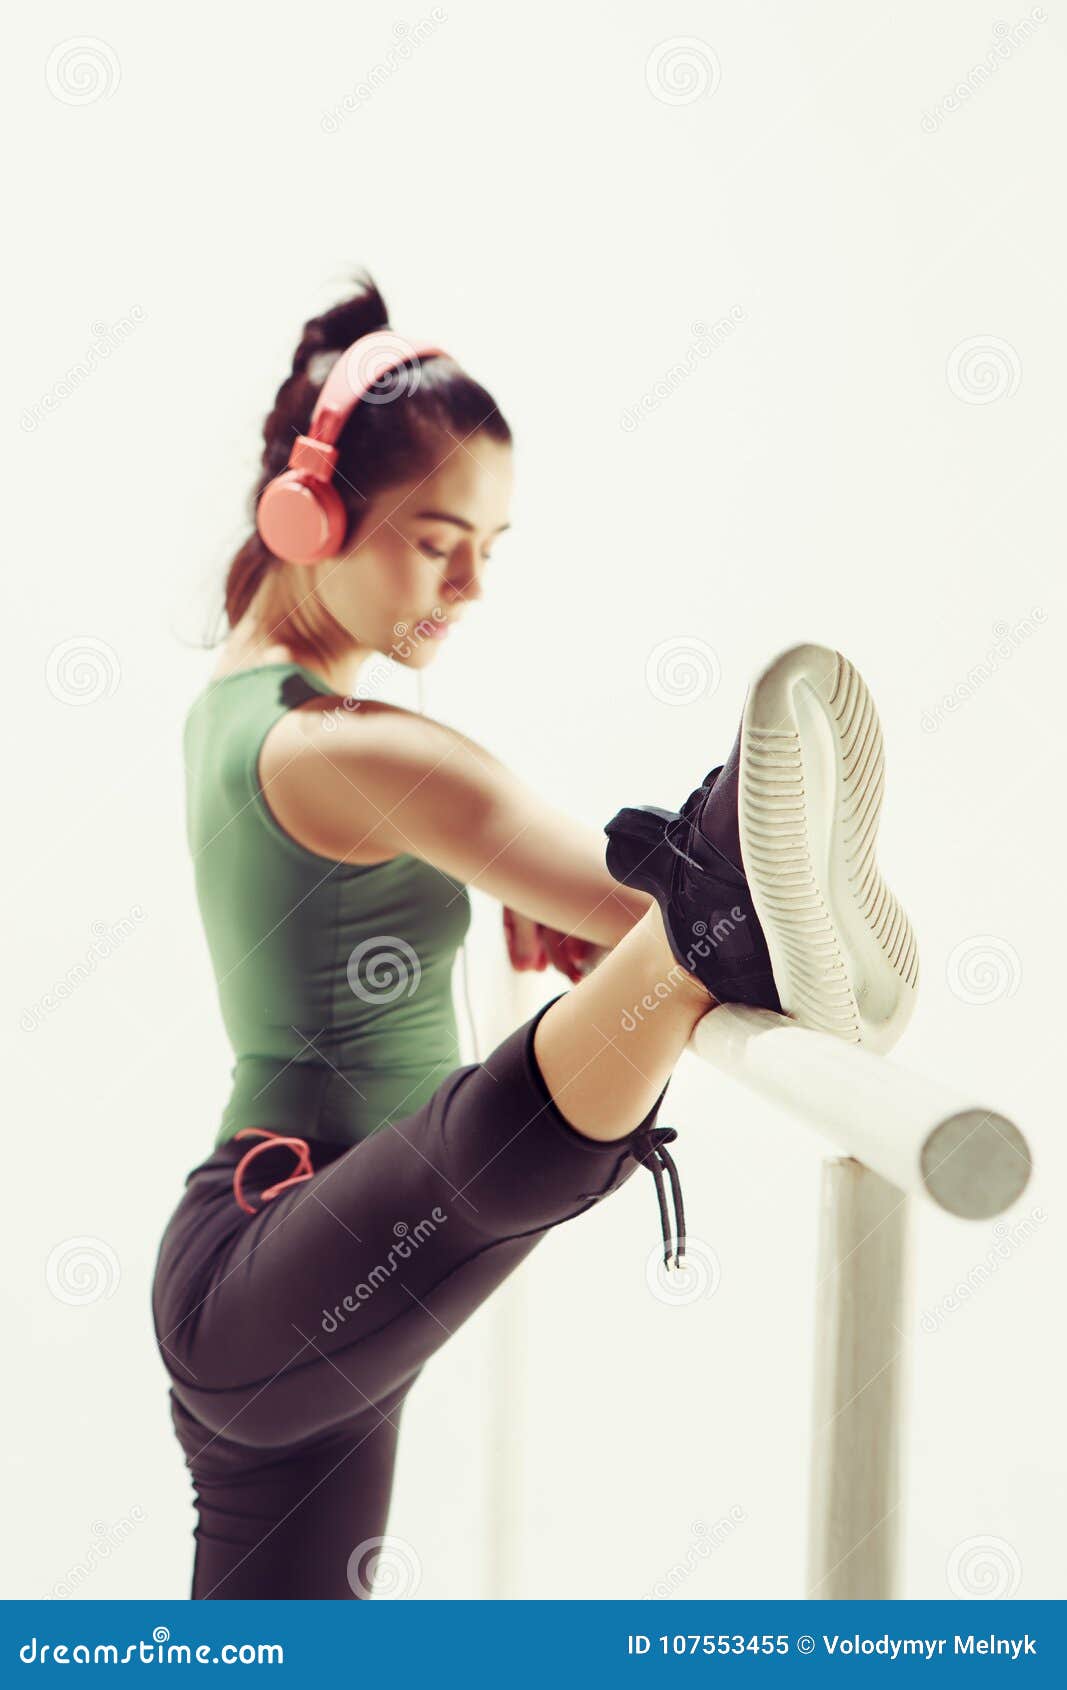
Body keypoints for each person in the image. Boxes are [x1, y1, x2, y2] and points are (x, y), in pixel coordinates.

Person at [151, 271, 917, 1600]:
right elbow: (622, 888)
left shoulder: (248, 712)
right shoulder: (344, 746)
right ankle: (730, 904)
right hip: (277, 1258)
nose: (467, 586)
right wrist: (669, 915)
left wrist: (489, 892)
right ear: (308, 511)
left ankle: (732, 918)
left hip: (290, 1282)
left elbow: (386, 880)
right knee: (538, 1089)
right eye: (438, 539)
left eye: (491, 549)